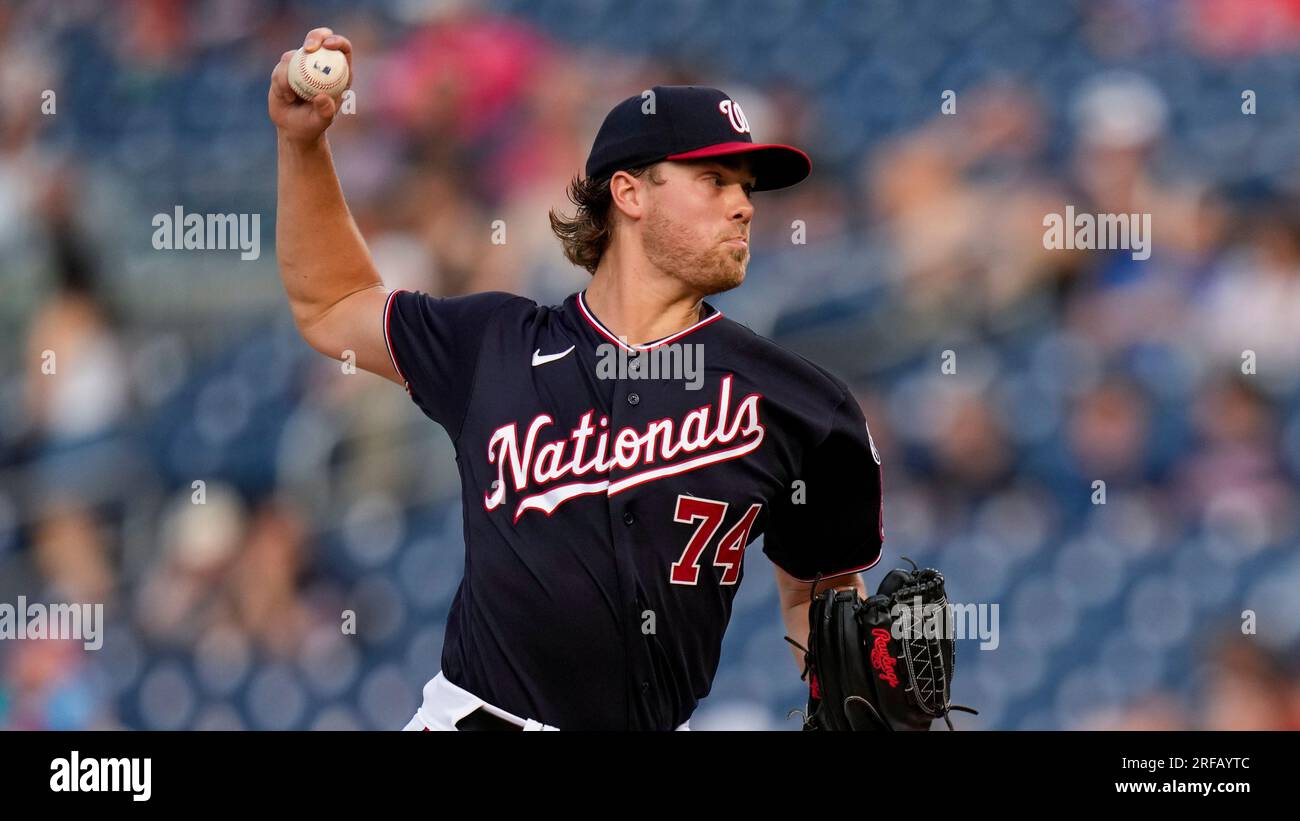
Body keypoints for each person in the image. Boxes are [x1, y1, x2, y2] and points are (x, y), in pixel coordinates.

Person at [268, 28, 884, 730]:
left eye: (745, 188)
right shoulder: (492, 345)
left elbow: (820, 595)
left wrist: (858, 697)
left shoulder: (802, 404)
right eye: (713, 180)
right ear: (629, 192)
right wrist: (303, 146)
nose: (743, 205)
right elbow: (334, 307)